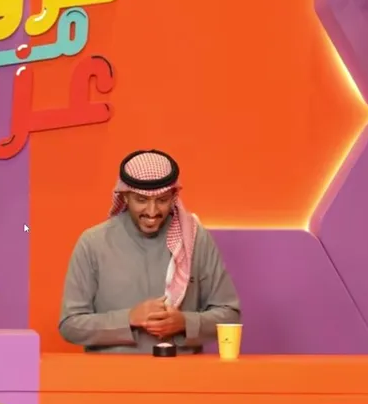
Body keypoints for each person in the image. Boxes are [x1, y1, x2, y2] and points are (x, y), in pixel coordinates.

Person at [59, 150, 241, 353]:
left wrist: (184, 323)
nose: (152, 211)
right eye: (141, 200)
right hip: (112, 372)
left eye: (162, 200)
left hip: (181, 371)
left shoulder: (197, 239)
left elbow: (230, 316)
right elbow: (70, 325)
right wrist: (128, 319)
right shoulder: (93, 243)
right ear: (125, 196)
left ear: (173, 196)